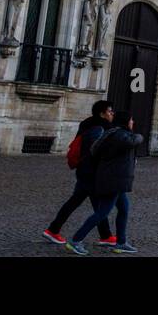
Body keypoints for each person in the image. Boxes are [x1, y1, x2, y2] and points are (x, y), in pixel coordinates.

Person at [65, 111, 143, 255]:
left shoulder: (114, 134)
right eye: (131, 120)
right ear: (125, 121)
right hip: (113, 180)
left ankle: (121, 243)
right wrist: (140, 135)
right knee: (102, 213)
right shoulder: (120, 135)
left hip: (117, 180)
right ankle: (75, 240)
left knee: (124, 209)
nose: (133, 123)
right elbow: (133, 141)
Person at [43, 100, 117, 248]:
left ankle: (105, 235)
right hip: (90, 172)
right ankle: (54, 230)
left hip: (86, 172)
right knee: (96, 205)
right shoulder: (98, 129)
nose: (112, 114)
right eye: (109, 111)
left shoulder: (90, 125)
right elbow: (94, 153)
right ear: (102, 113)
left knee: (85, 203)